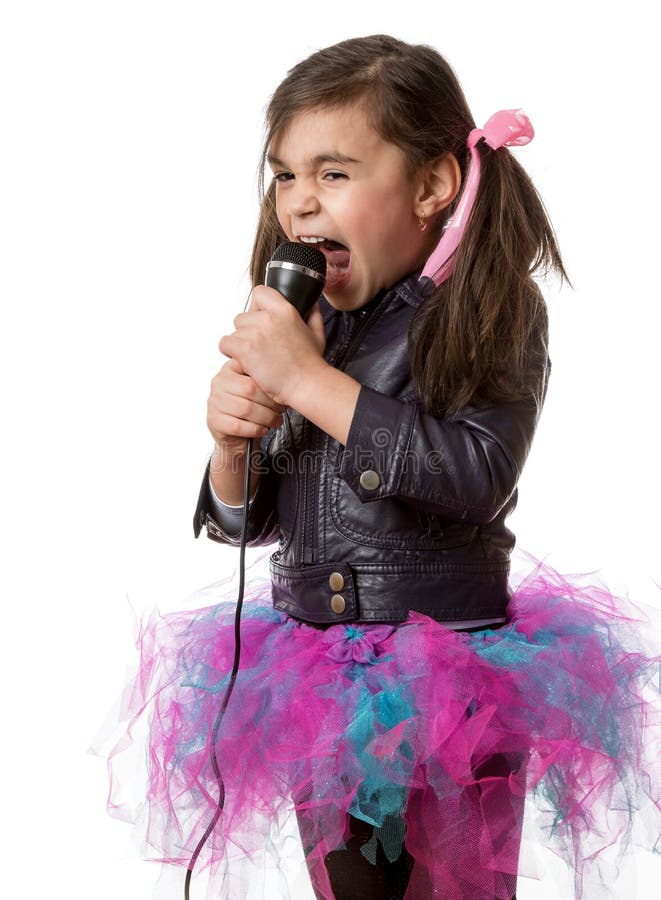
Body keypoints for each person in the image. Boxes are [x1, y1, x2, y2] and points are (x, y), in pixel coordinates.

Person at [98, 35, 660, 900]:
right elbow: (260, 524)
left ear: (432, 186)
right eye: (284, 175)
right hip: (319, 681)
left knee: (455, 889)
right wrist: (233, 444)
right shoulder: (318, 325)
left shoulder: (487, 308)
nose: (298, 204)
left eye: (332, 173)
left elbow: (477, 475)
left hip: (450, 676)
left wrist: (311, 382)